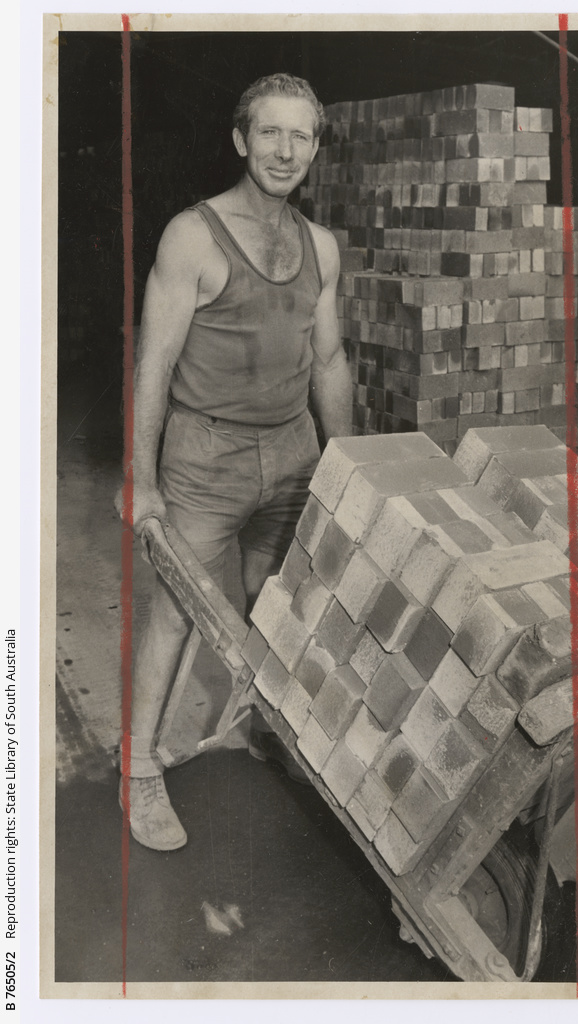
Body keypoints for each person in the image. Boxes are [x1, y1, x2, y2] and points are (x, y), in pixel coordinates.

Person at [117, 73, 351, 852]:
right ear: (241, 138)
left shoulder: (320, 246)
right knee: (178, 614)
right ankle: (139, 769)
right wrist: (142, 480)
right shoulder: (193, 236)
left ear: (315, 148)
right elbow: (153, 363)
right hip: (204, 454)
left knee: (278, 604)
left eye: (301, 136)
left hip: (292, 449)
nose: (285, 150)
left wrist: (344, 462)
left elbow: (329, 361)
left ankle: (262, 729)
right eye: (271, 133)